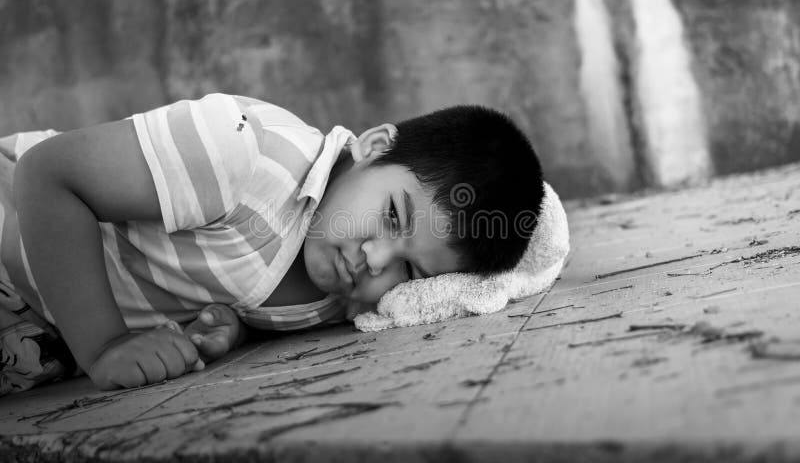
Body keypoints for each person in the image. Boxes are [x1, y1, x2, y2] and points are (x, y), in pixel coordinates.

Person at [0, 93, 543, 394]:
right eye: (393, 215)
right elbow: (46, 176)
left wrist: (229, 326)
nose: (374, 259)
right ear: (374, 146)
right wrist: (105, 346)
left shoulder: (350, 296)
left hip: (32, 336)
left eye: (412, 271)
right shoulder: (243, 155)